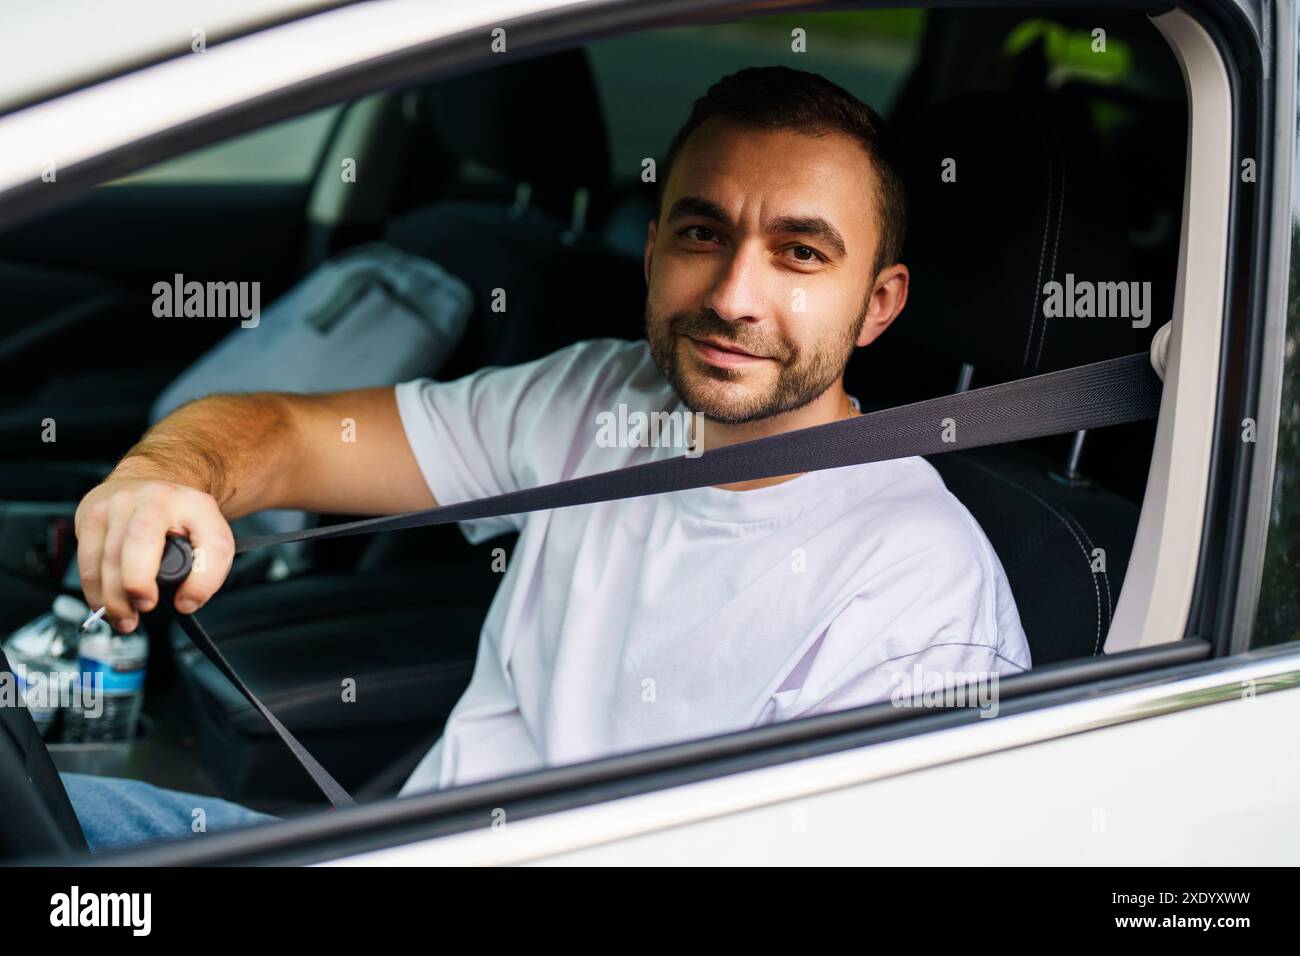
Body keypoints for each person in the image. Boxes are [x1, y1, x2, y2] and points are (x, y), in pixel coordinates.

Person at [66, 66, 1030, 851]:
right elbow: (289, 431)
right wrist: (168, 475)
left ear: (879, 304)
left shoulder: (917, 595)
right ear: (652, 252)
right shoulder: (597, 400)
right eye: (704, 233)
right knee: (29, 797)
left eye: (800, 254)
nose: (735, 294)